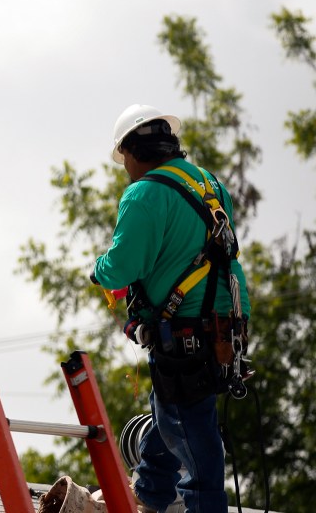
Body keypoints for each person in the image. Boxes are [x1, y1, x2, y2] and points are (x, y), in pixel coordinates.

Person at [92, 104, 251, 513]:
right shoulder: (209, 184)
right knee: (172, 409)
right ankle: (148, 494)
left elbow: (123, 266)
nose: (125, 166)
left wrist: (99, 271)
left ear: (133, 151)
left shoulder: (144, 193)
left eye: (124, 157)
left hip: (185, 330)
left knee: (192, 432)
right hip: (226, 325)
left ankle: (201, 506)